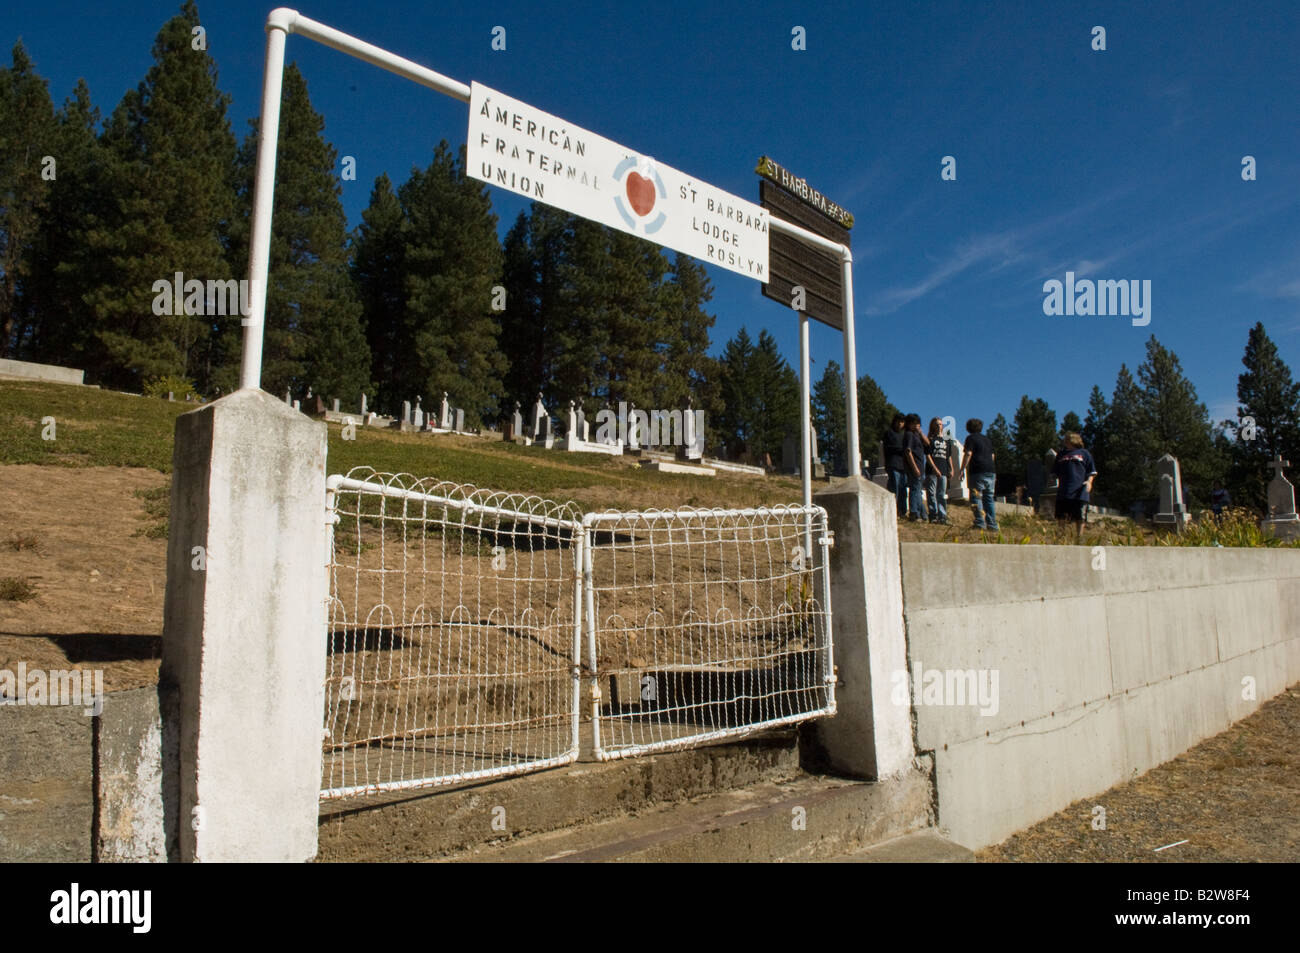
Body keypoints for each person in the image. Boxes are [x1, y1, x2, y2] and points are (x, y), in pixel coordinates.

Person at [1053, 433, 1097, 538]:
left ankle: (1079, 538)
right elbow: (1055, 472)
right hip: (1064, 490)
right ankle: (1061, 537)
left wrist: (1089, 482)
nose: (1066, 441)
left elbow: (1092, 471)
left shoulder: (1084, 453)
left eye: (1068, 439)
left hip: (1080, 489)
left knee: (1080, 516)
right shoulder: (1061, 454)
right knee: (1061, 515)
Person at [958, 418, 998, 531]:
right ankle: (992, 524)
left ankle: (980, 522)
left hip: (977, 470)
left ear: (968, 428)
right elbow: (992, 456)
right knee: (989, 498)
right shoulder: (987, 440)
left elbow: (968, 453)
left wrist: (962, 469)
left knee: (976, 497)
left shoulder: (970, 438)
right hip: (990, 470)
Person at [925, 417, 954, 524]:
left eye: (940, 424)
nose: (939, 426)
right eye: (936, 424)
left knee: (941, 494)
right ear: (932, 426)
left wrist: (951, 468)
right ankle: (933, 515)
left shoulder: (946, 440)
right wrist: (934, 468)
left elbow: (949, 456)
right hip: (931, 470)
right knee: (931, 493)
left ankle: (943, 516)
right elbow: (928, 456)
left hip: (944, 469)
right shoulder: (930, 439)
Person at [903, 414, 932, 522]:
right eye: (913, 423)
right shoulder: (909, 435)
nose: (916, 425)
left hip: (920, 465)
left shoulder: (917, 435)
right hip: (914, 466)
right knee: (915, 489)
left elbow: (928, 444)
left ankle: (923, 514)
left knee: (918, 490)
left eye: (918, 423)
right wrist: (914, 467)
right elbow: (908, 451)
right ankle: (914, 512)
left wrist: (920, 433)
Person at [882, 414, 909, 517]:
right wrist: (902, 450)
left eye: (902, 422)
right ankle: (893, 510)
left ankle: (902, 511)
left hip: (903, 466)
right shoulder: (889, 433)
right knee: (894, 488)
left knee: (903, 490)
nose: (900, 424)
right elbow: (888, 448)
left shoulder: (905, 435)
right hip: (893, 464)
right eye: (898, 421)